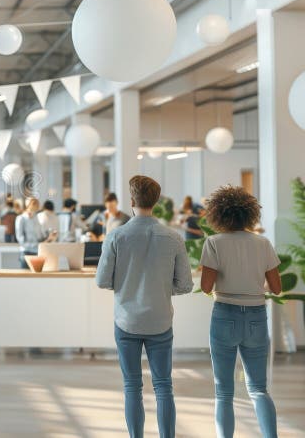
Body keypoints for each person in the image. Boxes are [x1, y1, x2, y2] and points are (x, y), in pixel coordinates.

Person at [95, 175, 194, 438]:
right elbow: (185, 284)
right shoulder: (173, 237)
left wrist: (128, 284)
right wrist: (160, 287)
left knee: (132, 386)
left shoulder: (117, 236)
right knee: (164, 387)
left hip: (126, 321)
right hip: (160, 321)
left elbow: (102, 280)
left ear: (131, 201)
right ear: (157, 201)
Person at [199, 186, 281, 438]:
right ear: (249, 214)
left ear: (218, 214)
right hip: (257, 316)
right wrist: (254, 285)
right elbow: (276, 288)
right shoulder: (263, 243)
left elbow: (206, 287)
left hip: (225, 315)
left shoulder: (213, 243)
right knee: (258, 389)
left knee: (224, 391)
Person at [15, 198, 57, 269]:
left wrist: (49, 237)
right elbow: (21, 241)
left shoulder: (36, 218)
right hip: (26, 253)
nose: (38, 206)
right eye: (36, 204)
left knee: (37, 278)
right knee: (24, 277)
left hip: (38, 253)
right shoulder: (21, 219)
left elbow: (39, 237)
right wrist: (38, 244)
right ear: (29, 205)